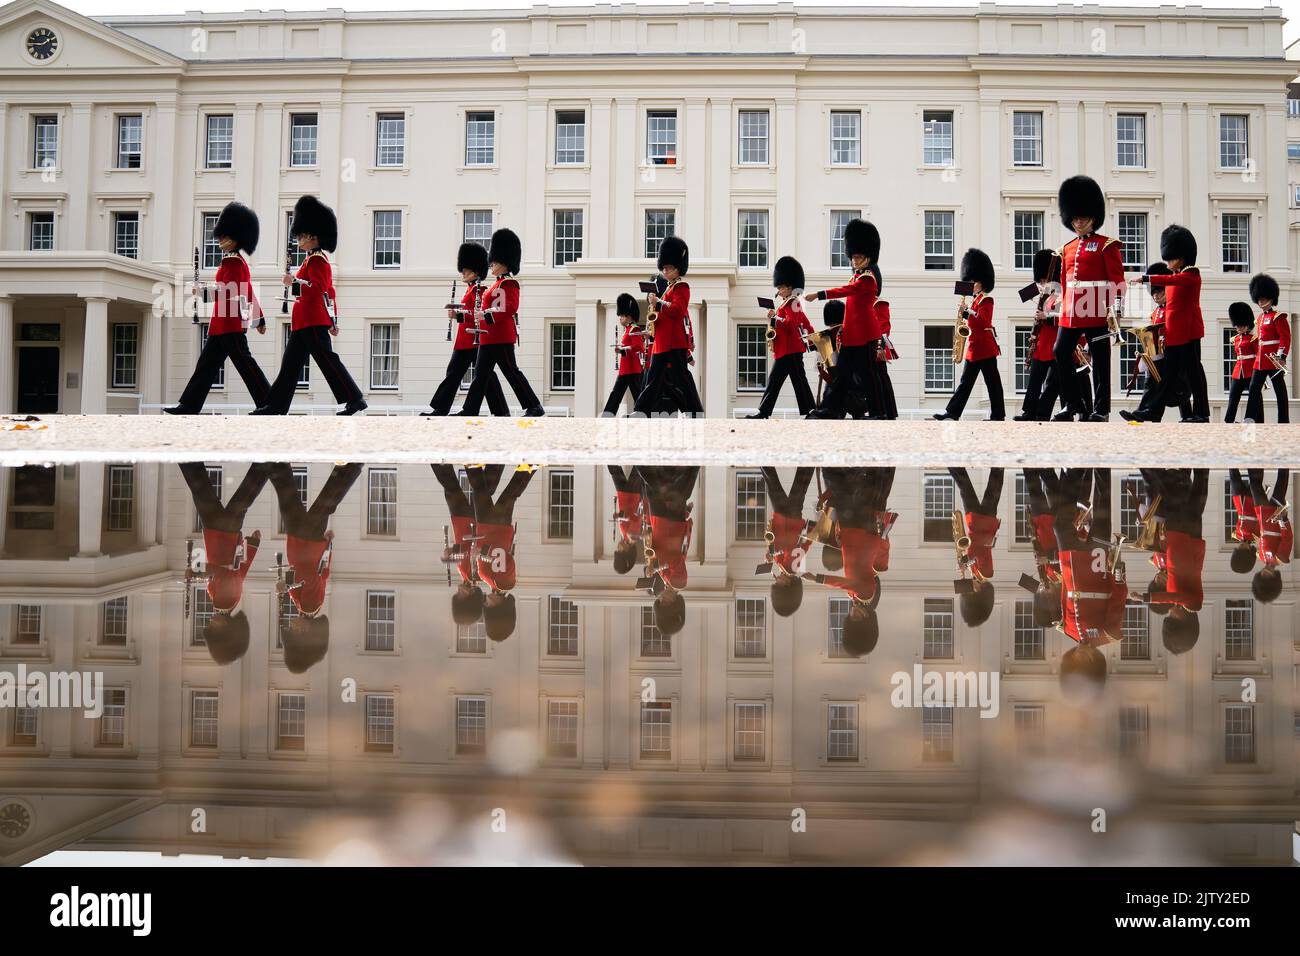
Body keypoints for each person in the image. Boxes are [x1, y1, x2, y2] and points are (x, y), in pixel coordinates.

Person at [253, 195, 367, 416]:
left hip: (313, 320)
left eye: (303, 236)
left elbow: (319, 289)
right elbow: (329, 293)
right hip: (304, 321)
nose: (299, 240)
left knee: (327, 361)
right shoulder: (310, 259)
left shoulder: (317, 260)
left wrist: (293, 282)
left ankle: (355, 398)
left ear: (313, 237)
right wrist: (333, 319)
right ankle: (276, 405)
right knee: (290, 366)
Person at [167, 202, 270, 414]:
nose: (220, 239)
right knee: (207, 366)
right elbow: (246, 291)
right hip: (224, 323)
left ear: (235, 237)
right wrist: (259, 318)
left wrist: (203, 292)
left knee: (244, 366)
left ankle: (269, 402)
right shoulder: (233, 261)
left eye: (224, 235)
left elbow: (231, 291)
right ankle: (189, 404)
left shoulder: (233, 263)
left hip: (230, 323)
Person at [267, 462, 363, 672]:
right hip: (305, 541)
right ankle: (353, 465)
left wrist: (328, 544)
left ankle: (349, 466)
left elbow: (324, 573)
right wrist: (287, 584)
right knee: (301, 495)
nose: (291, 628)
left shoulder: (309, 608)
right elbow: (310, 576)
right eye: (295, 633)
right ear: (304, 632)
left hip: (303, 542)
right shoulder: (309, 607)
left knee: (318, 498)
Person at [179, 461, 270, 663]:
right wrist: (197, 572)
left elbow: (240, 572)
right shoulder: (225, 602)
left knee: (210, 490)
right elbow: (223, 573)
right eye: (214, 628)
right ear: (226, 627)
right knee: (205, 487)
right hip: (223, 534)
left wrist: (253, 544)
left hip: (219, 534)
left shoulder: (225, 601)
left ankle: (267, 461)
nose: (210, 623)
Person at [801, 467, 895, 656]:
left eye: (850, 619)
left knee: (837, 482)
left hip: (849, 529)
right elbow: (845, 583)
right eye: (856, 618)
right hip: (862, 526)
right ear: (867, 618)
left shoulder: (855, 597)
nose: (851, 614)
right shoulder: (866, 594)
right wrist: (817, 579)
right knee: (850, 482)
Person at [1054, 175, 1124, 421]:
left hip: (1097, 308)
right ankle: (1073, 403)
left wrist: (1116, 306)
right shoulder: (1067, 248)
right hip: (1072, 311)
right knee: (1060, 351)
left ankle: (1102, 410)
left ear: (1093, 218)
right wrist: (1060, 307)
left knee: (1101, 361)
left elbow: (1117, 279)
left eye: (1082, 218)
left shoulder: (1107, 245)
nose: (1077, 222)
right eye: (1074, 218)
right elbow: (1065, 284)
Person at [455, 228, 545, 417]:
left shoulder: (507, 284)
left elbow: (507, 308)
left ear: (504, 262)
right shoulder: (495, 285)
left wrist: (485, 316)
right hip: (488, 338)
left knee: (511, 372)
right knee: (480, 376)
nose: (491, 263)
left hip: (500, 337)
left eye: (494, 260)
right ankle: (470, 409)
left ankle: (534, 406)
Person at [1122, 225, 1206, 422]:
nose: (1168, 262)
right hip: (1174, 335)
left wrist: (1145, 278)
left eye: (1171, 258)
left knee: (1194, 376)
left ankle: (1201, 413)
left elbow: (1168, 280)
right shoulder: (1177, 275)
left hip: (1189, 334)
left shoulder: (1191, 274)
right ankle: (1151, 411)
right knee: (1165, 376)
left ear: (1183, 256)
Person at [805, 218, 886, 419]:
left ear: (868, 258)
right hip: (852, 336)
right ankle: (830, 408)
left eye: (858, 257)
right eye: (853, 257)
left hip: (865, 336)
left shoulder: (866, 279)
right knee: (841, 374)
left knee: (869, 377)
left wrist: (819, 294)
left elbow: (844, 291)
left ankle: (877, 412)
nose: (854, 261)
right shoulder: (857, 276)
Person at [424, 242, 508, 417]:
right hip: (464, 341)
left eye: (466, 269)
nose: (463, 272)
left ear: (476, 271)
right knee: (455, 374)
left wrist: (459, 315)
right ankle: (441, 408)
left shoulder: (482, 290)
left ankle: (500, 411)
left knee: (485, 377)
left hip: (475, 339)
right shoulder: (469, 290)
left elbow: (478, 313)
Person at [632, 237, 703, 417]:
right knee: (653, 380)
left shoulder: (682, 287)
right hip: (663, 342)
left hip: (674, 342)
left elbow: (679, 311)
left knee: (683, 379)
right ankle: (640, 411)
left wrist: (660, 302)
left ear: (678, 267)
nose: (665, 270)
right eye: (663, 268)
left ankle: (696, 412)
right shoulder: (668, 289)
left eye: (669, 268)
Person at [467, 463, 536, 641]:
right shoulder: (503, 584)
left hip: (490, 529)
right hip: (494, 528)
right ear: (497, 607)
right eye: (488, 606)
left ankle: (529, 466)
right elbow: (502, 557)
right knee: (483, 491)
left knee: (509, 494)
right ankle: (472, 464)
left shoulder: (492, 582)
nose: (485, 603)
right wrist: (480, 552)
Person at [934, 248, 1004, 421]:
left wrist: (969, 312)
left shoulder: (987, 299)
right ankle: (952, 412)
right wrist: (965, 314)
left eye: (974, 281)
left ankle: (998, 415)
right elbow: (974, 321)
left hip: (985, 347)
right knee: (965, 383)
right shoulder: (975, 300)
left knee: (993, 384)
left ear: (981, 282)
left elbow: (984, 321)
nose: (971, 284)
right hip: (974, 347)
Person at [747, 256, 816, 419]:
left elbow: (791, 325)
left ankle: (809, 411)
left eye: (781, 287)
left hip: (790, 349)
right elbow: (806, 323)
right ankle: (765, 411)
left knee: (796, 381)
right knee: (779, 381)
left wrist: (775, 318)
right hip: (785, 350)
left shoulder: (793, 303)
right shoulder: (788, 303)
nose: (779, 291)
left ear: (789, 287)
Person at [635, 465, 700, 635]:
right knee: (655, 483)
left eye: (660, 603)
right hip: (670, 523)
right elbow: (675, 559)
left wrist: (647, 543)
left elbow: (665, 550)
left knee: (659, 484)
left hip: (661, 522)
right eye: (665, 603)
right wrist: (655, 567)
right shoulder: (679, 583)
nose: (661, 599)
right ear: (674, 603)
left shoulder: (666, 581)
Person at [432, 464, 487, 627]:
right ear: (469, 596)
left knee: (451, 486)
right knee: (449, 485)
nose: (457, 593)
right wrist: (450, 554)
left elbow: (464, 551)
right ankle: (438, 457)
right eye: (460, 597)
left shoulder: (468, 576)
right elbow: (471, 551)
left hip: (461, 522)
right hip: (466, 522)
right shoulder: (473, 576)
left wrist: (451, 553)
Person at [949, 467, 1002, 626]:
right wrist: (967, 561)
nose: (968, 590)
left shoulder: (972, 573)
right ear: (978, 593)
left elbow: (970, 550)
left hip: (973, 523)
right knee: (995, 483)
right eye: (970, 593)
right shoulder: (986, 574)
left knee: (964, 486)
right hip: (986, 522)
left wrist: (962, 560)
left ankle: (951, 460)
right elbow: (980, 554)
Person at [758, 467, 814, 616]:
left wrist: (769, 551)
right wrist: (772, 553)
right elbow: (791, 547)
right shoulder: (793, 567)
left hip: (780, 517)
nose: (776, 582)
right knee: (793, 482)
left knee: (776, 482)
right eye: (779, 585)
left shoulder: (781, 566)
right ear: (788, 585)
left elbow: (776, 542)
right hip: (791, 517)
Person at [1015, 249, 1061, 421]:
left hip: (1056, 342)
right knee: (1035, 380)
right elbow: (1025, 297)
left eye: (1044, 278)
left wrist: (1046, 317)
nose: (1042, 281)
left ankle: (1044, 413)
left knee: (1054, 384)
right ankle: (1029, 411)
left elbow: (1064, 317)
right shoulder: (1044, 292)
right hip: (1042, 342)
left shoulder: (1060, 292)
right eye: (1041, 279)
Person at [1244, 273, 1290, 424]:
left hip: (1274, 359)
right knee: (1254, 389)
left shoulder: (1278, 317)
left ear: (1271, 298)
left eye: (1263, 298)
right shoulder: (1259, 318)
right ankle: (1250, 418)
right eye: (1259, 298)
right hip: (1260, 361)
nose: (1260, 301)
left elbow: (1285, 337)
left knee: (1280, 391)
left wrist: (1281, 356)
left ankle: (1283, 420)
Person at [603, 293, 650, 416]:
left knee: (638, 394)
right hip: (626, 369)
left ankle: (644, 413)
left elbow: (639, 346)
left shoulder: (634, 329)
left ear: (629, 316)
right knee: (616, 393)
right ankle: (608, 414)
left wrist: (623, 349)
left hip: (633, 369)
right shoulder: (627, 330)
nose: (620, 318)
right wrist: (621, 349)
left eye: (622, 316)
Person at [1223, 301, 1256, 423]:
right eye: (1237, 325)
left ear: (1247, 325)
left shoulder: (1253, 339)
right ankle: (1229, 419)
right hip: (1238, 371)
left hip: (1250, 371)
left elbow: (1257, 356)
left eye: (1241, 325)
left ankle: (1256, 418)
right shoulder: (1235, 339)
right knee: (1233, 396)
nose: (1238, 327)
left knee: (1255, 396)